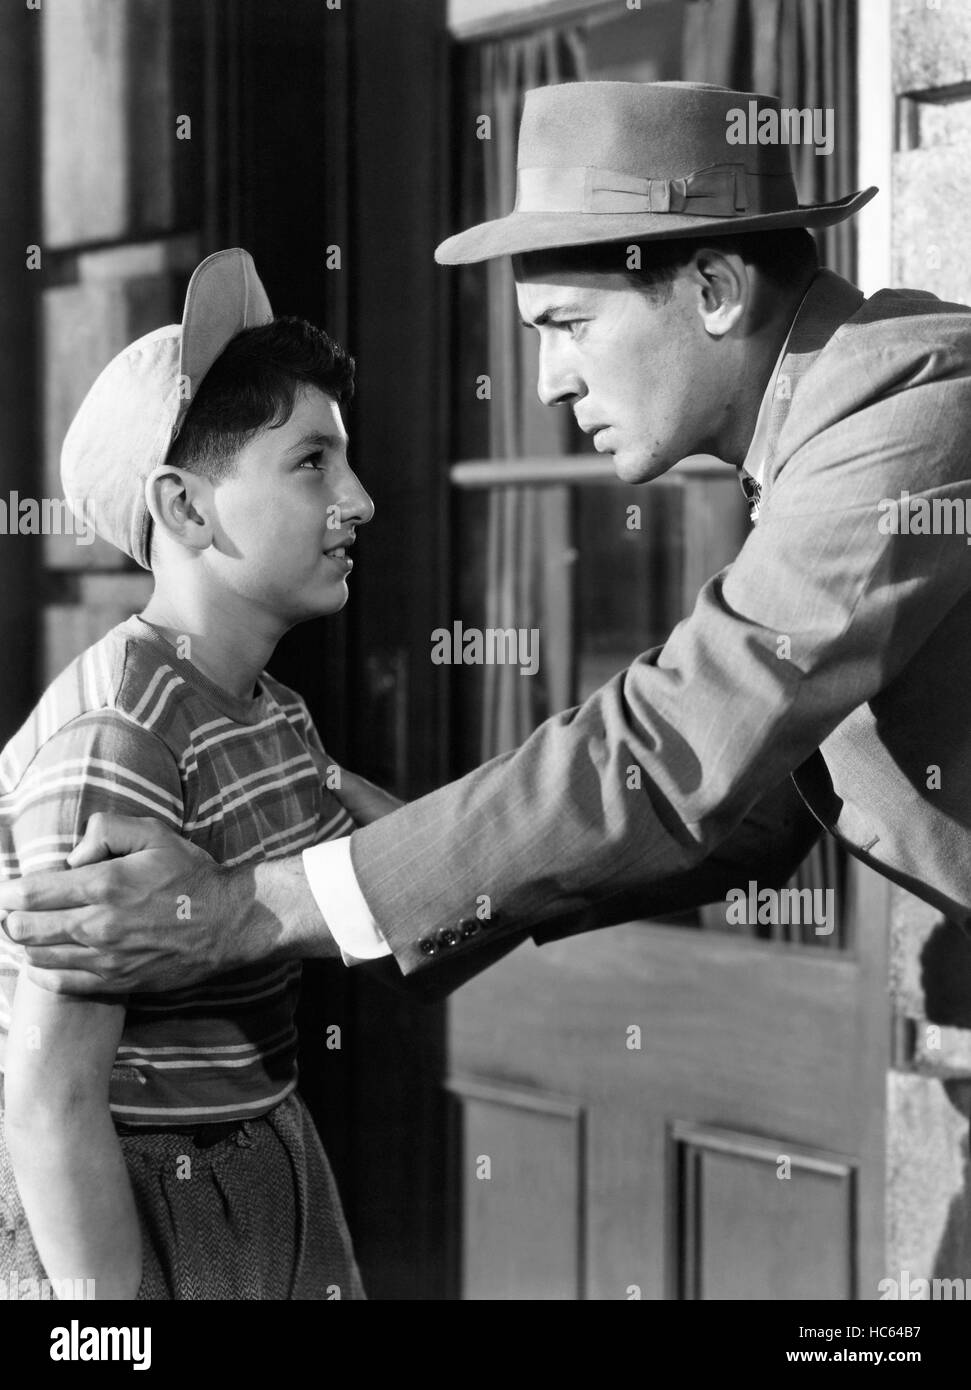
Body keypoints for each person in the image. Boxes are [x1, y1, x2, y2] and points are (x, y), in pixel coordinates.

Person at [4, 81, 971, 1002]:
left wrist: (256, 909)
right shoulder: (829, 425)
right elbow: (751, 806)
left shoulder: (906, 409)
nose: (548, 382)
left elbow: (677, 744)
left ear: (714, 288)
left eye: (568, 324)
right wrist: (409, 872)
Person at [0, 249, 382, 1299]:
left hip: (262, 1154)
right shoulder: (121, 738)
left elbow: (405, 886)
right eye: (312, 463)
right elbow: (50, 1103)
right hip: (137, 1193)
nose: (358, 500)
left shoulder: (275, 713)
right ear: (186, 507)